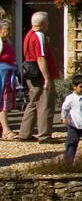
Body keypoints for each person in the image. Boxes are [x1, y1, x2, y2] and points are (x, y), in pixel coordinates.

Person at [18, 11, 61, 142]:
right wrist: (47, 78)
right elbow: (41, 58)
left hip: (31, 74)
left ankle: (24, 133)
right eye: (47, 21)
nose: (49, 24)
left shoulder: (29, 35)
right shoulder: (39, 36)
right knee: (45, 104)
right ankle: (44, 135)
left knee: (33, 103)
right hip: (39, 75)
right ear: (42, 23)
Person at [61, 74, 82, 162]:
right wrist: (63, 117)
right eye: (81, 87)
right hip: (74, 125)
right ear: (74, 87)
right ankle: (68, 161)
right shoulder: (70, 98)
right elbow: (65, 108)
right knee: (72, 142)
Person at [0, 19, 19, 140]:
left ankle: (4, 129)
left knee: (5, 102)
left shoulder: (6, 41)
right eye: (7, 30)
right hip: (2, 76)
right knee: (3, 103)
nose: (9, 32)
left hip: (7, 75)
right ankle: (6, 130)